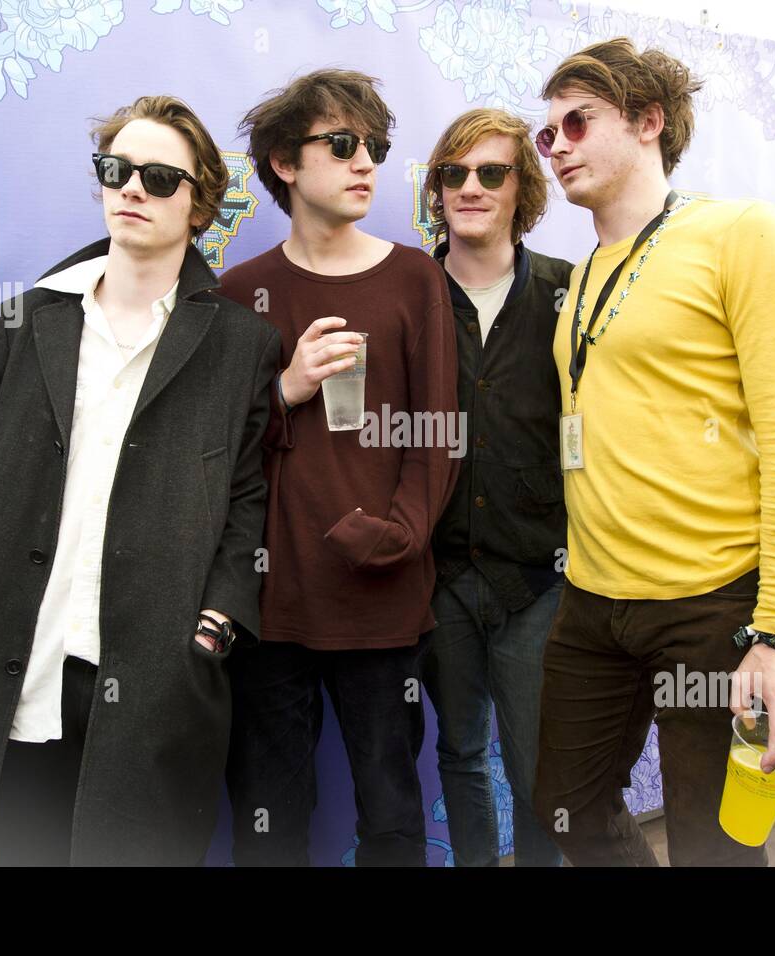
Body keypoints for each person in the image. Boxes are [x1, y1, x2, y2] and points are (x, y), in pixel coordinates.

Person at [0, 95, 279, 866]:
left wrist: (216, 625)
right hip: (11, 663)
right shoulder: (25, 321)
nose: (132, 188)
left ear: (199, 202)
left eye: (160, 177)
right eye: (116, 169)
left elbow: (245, 505)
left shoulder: (242, 343)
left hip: (151, 669)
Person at [531, 39, 775, 866]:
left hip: (713, 605)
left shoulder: (738, 232)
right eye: (545, 133)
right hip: (593, 600)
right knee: (564, 803)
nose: (554, 144)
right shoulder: (584, 274)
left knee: (715, 846)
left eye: (576, 121)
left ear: (648, 121)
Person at [218, 68, 459, 867]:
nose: (366, 163)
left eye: (378, 148)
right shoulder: (238, 293)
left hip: (382, 601)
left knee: (391, 815)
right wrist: (282, 390)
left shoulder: (414, 278)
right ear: (286, 163)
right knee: (269, 813)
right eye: (344, 143)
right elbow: (209, 456)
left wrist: (397, 535)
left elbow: (438, 434)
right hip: (267, 606)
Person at [419, 108, 571, 867]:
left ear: (524, 189)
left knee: (540, 767)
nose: (470, 187)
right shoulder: (406, 296)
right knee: (460, 753)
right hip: (437, 576)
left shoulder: (568, 296)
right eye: (454, 173)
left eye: (491, 172)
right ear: (437, 189)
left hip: (539, 578)